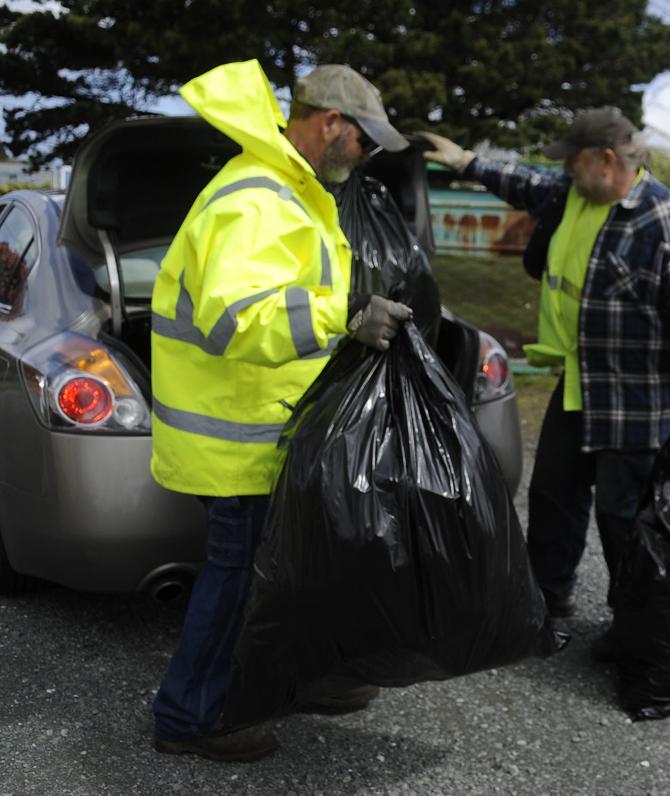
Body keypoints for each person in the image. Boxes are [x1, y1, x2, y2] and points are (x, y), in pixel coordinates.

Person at [149, 59, 412, 762]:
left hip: (268, 428)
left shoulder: (293, 191)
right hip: (235, 440)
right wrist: (348, 315)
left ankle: (301, 680)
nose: (369, 156)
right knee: (236, 581)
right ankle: (189, 716)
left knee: (287, 574)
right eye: (367, 141)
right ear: (331, 124)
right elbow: (235, 318)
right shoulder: (255, 197)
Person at [420, 108, 670, 658]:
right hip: (578, 385)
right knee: (553, 496)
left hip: (638, 403)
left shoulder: (669, 224)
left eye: (573, 161)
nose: (564, 171)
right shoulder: (573, 196)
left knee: (623, 517)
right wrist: (467, 162)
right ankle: (547, 603)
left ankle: (634, 627)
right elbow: (526, 182)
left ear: (605, 160)